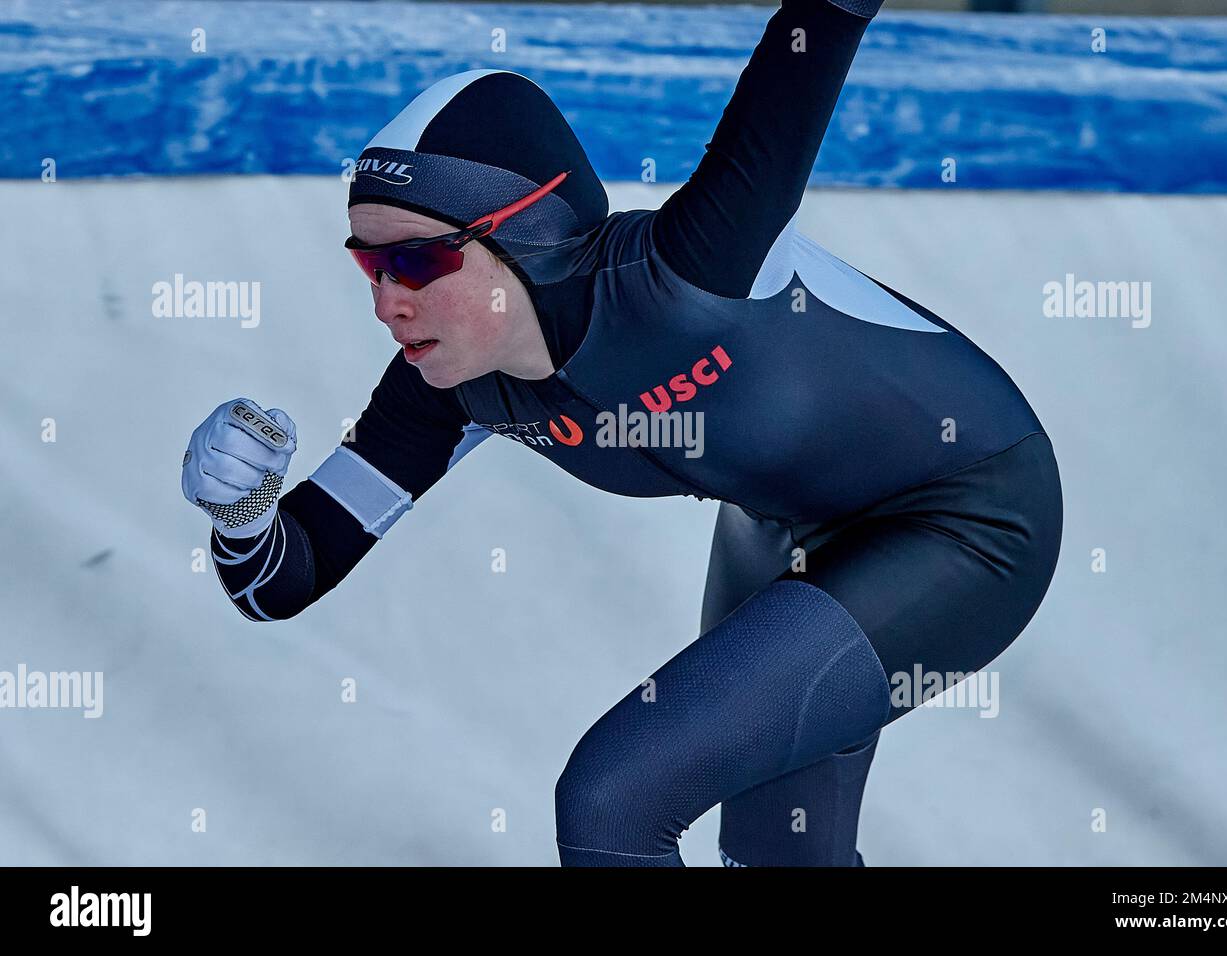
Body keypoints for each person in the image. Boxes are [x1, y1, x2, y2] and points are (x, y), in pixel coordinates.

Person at [182, 0, 1062, 866]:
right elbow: (282, 581)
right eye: (367, 263)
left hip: (968, 516)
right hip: (786, 532)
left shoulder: (690, 267)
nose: (385, 299)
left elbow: (817, 32)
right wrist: (244, 513)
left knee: (616, 799)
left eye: (416, 259)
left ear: (522, 234)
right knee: (776, 855)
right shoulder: (448, 385)